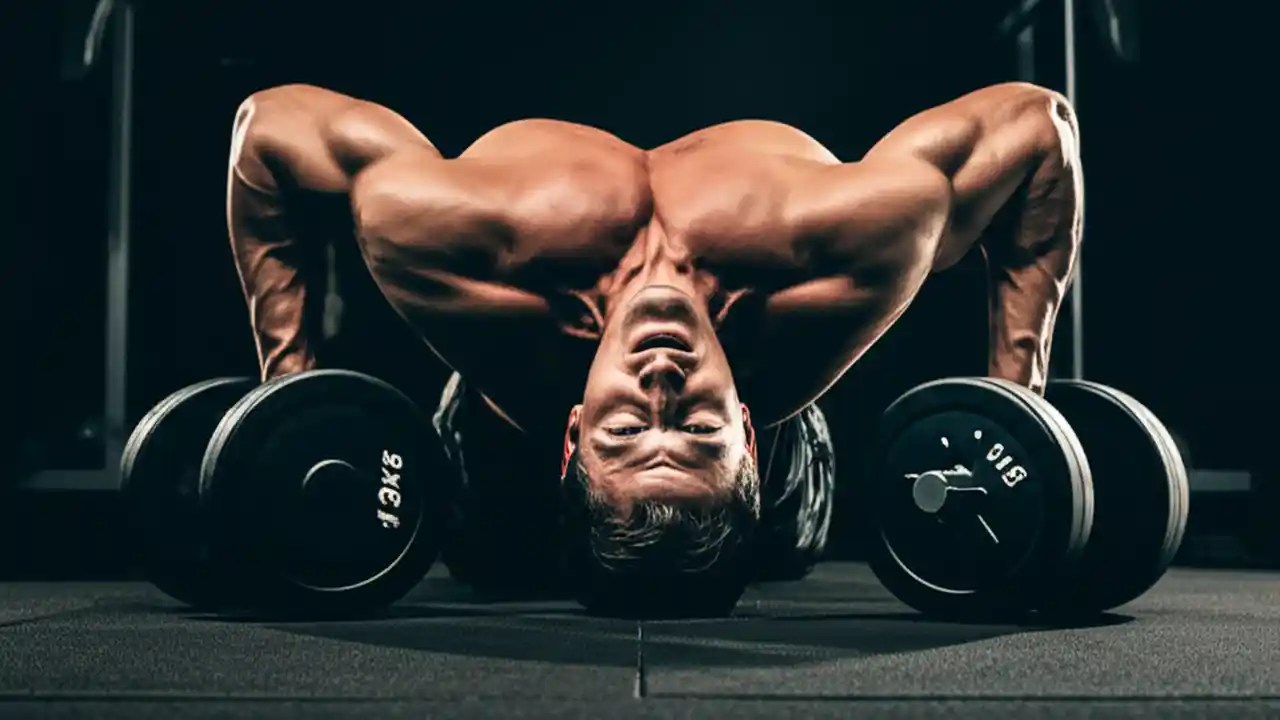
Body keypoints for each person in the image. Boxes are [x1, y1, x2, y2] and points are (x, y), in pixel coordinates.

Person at [226, 81, 1081, 615]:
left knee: (493, 555)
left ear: (574, 432)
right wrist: (1023, 403)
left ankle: (639, 480)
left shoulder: (467, 248)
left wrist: (287, 390)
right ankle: (684, 469)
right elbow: (1037, 130)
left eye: (627, 429)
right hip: (581, 413)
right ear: (741, 425)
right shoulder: (835, 250)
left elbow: (270, 133)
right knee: (728, 547)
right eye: (698, 429)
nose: (661, 383)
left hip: (516, 400)